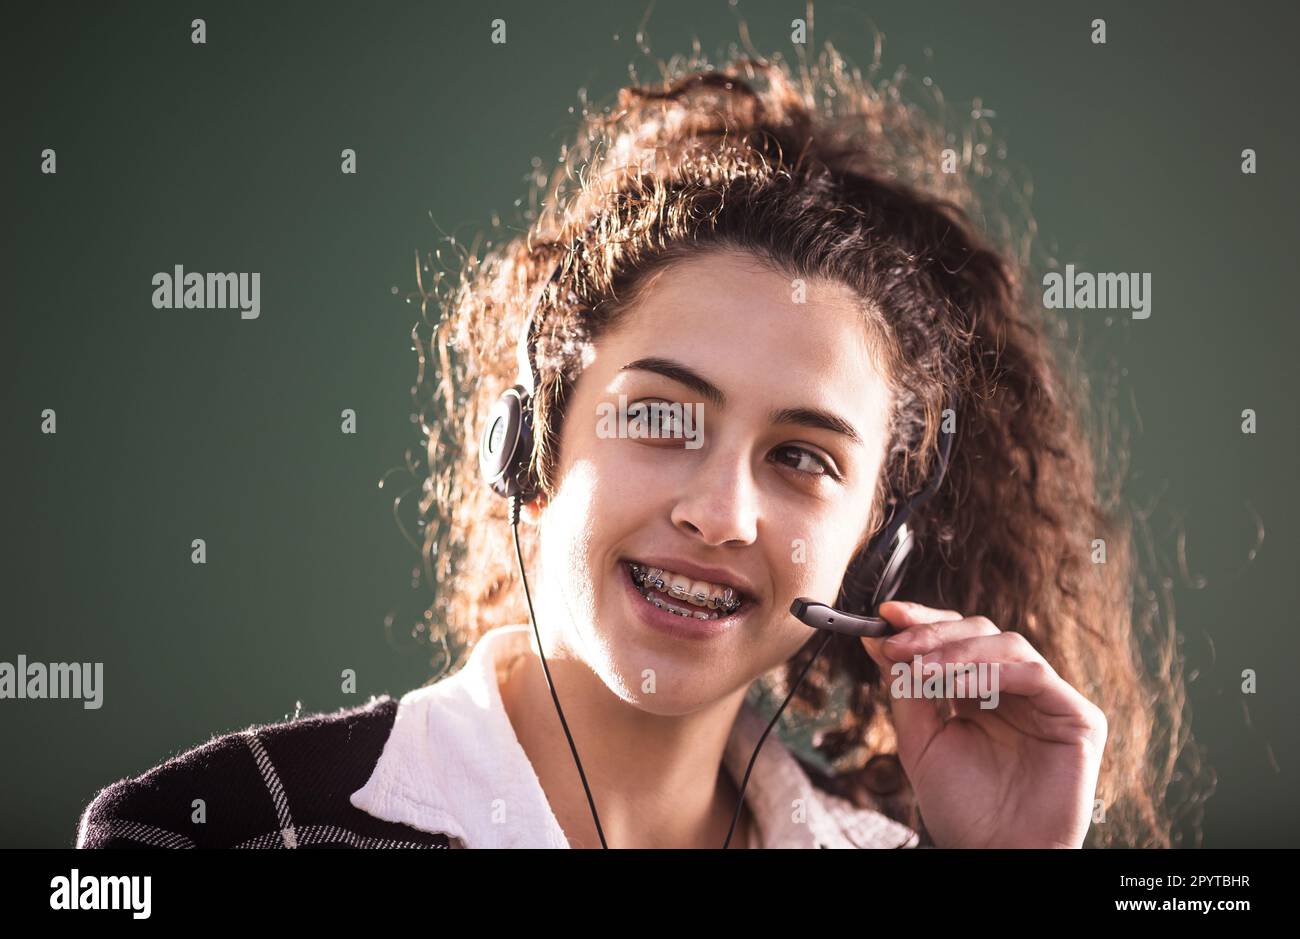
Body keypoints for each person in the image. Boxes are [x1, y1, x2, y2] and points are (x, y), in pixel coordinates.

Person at [77, 46, 1200, 850]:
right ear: (530, 437)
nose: (720, 512)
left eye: (802, 458)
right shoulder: (207, 835)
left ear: (875, 554)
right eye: (663, 416)